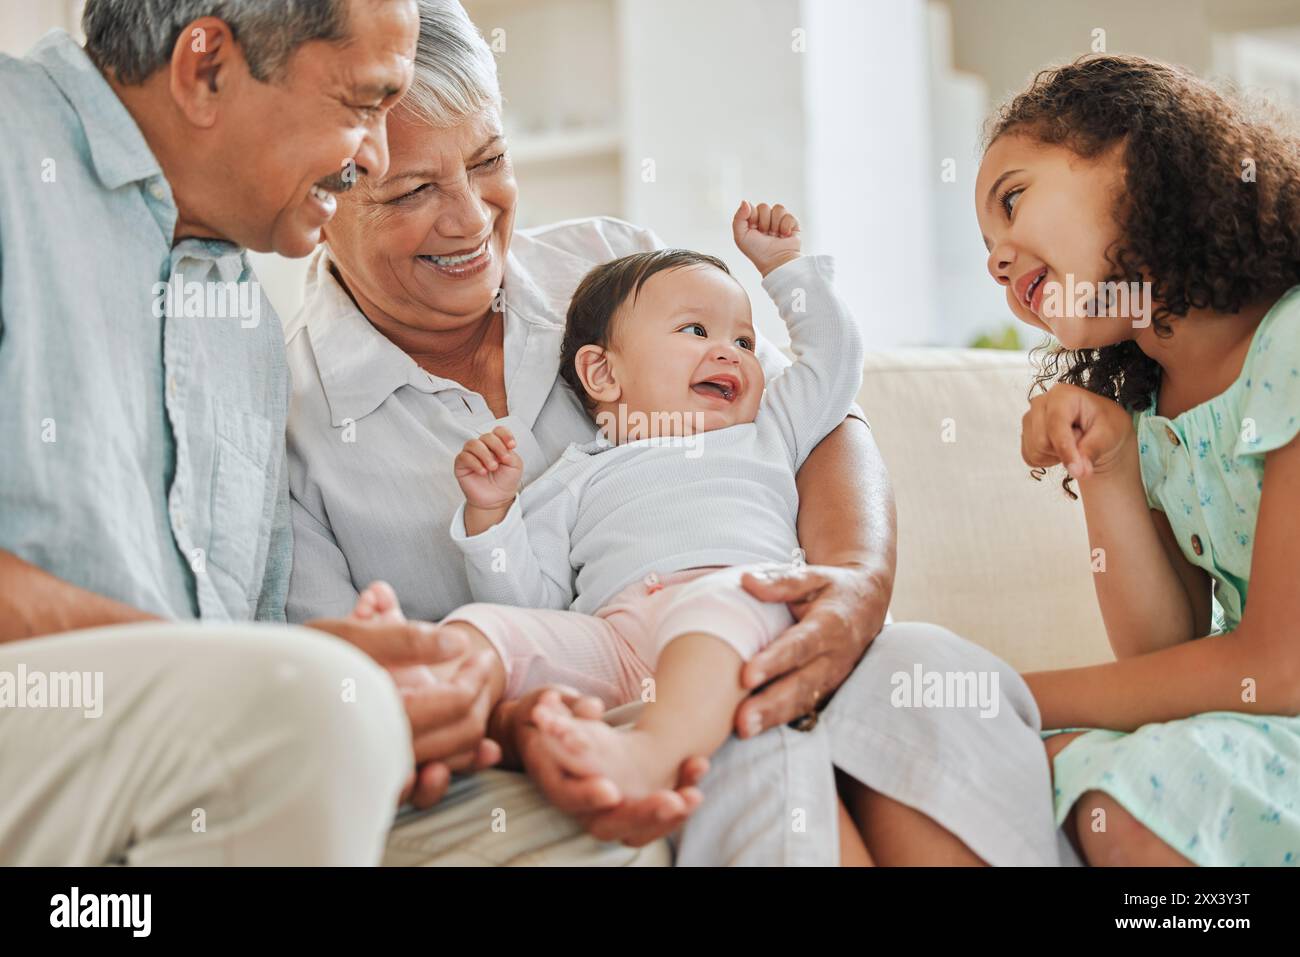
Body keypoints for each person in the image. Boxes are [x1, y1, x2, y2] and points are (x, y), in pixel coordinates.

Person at [288, 0, 1063, 866]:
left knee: (927, 677)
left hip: (761, 623)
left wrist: (853, 585)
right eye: (413, 189)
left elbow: (818, 412)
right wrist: (514, 713)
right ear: (320, 190)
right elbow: (355, 692)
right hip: (590, 698)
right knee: (751, 736)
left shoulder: (609, 259)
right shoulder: (294, 419)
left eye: (491, 160)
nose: (472, 219)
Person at [0, 0, 459, 865]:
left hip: (158, 792)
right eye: (364, 106)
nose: (380, 158)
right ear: (204, 67)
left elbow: (238, 670)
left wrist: (411, 691)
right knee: (312, 713)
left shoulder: (244, 323)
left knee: (546, 797)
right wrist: (300, 690)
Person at [976, 54, 1300, 866]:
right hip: (1267, 728)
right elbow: (1167, 661)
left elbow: (1280, 665)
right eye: (987, 247)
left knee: (1121, 793)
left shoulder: (1292, 343)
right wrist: (1110, 467)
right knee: (1007, 775)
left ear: (1132, 150)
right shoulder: (1156, 409)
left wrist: (1009, 696)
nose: (998, 259)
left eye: (1013, 199)